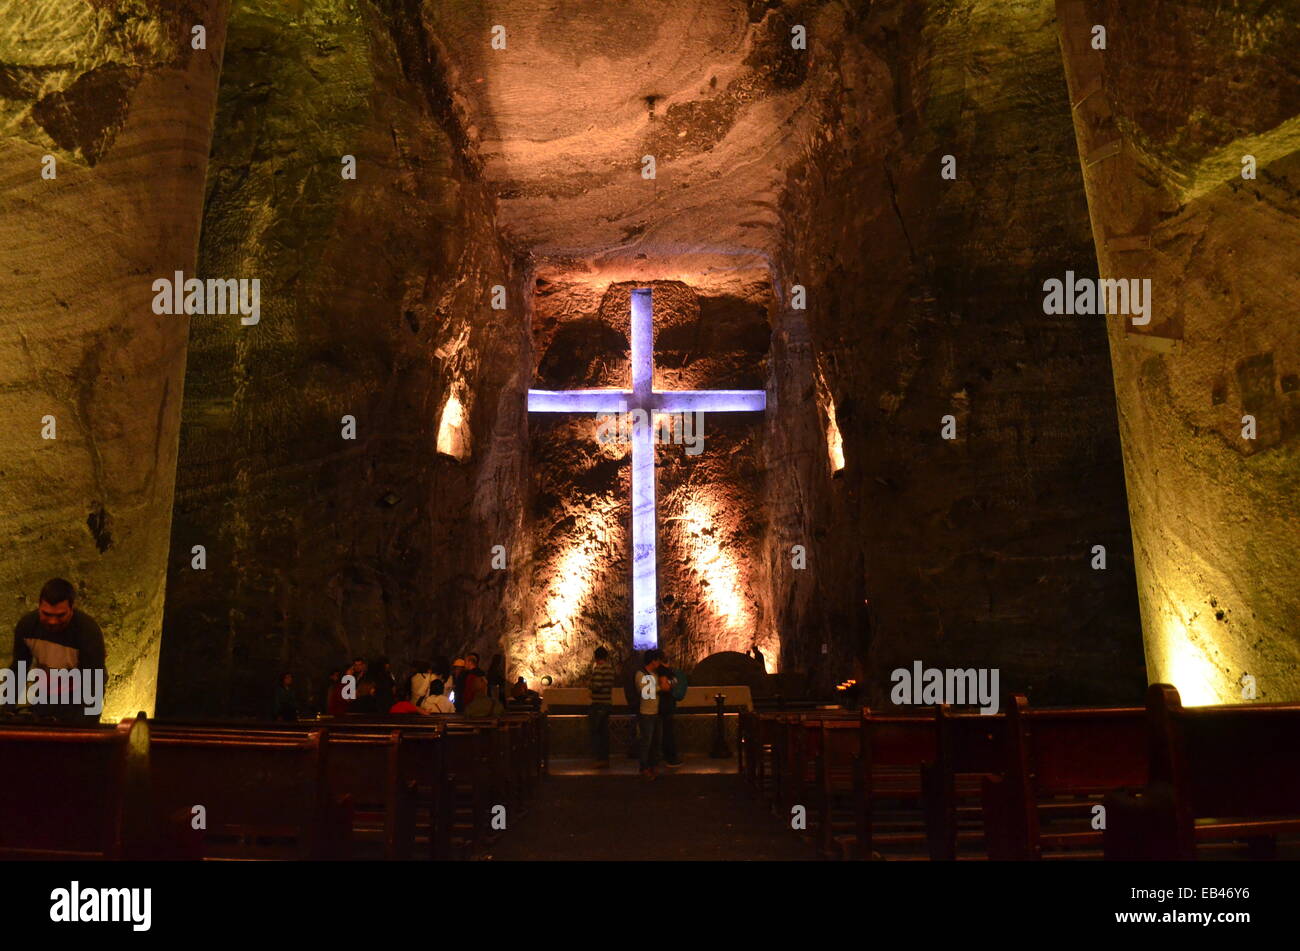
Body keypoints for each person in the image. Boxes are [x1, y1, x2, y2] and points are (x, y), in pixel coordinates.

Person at [9, 578, 107, 723]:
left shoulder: (87, 631)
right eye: (46, 614)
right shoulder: (27, 626)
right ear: (39, 606)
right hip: (45, 696)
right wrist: (6, 709)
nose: (53, 621)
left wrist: (87, 723)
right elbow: (19, 670)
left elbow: (94, 682)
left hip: (77, 700)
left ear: (72, 609)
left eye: (60, 615)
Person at [635, 649, 663, 780]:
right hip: (646, 713)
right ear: (653, 661)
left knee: (656, 742)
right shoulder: (641, 674)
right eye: (658, 660)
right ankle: (644, 767)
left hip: (656, 712)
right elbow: (645, 692)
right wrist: (660, 688)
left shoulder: (655, 674)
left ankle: (652, 766)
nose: (659, 663)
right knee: (646, 742)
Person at [589, 646, 614, 767]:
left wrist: (590, 684)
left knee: (597, 733)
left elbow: (597, 685)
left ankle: (599, 759)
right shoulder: (610, 669)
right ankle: (605, 759)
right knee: (604, 733)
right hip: (607, 703)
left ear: (596, 657)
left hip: (599, 704)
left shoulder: (599, 668)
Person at [657, 656, 682, 768]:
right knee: (668, 732)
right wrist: (671, 683)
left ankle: (663, 755)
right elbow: (667, 685)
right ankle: (670, 757)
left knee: (664, 732)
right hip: (666, 706)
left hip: (662, 705)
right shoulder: (666, 671)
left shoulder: (660, 671)